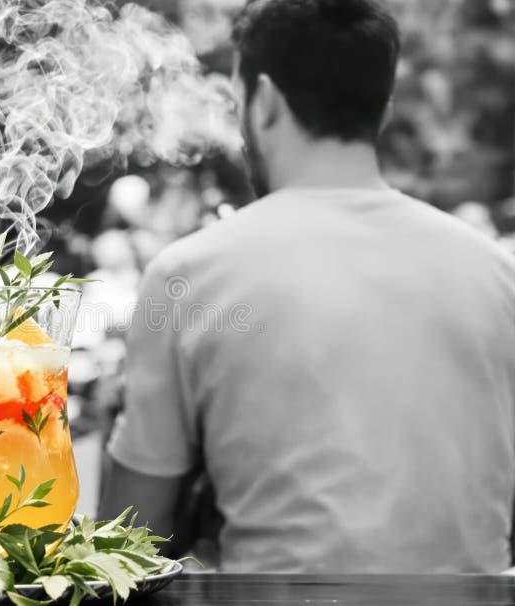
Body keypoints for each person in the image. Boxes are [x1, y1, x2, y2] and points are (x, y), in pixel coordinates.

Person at [99, 0, 515, 574]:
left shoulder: (187, 275)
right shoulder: (494, 273)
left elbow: (126, 545)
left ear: (263, 101)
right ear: (384, 111)